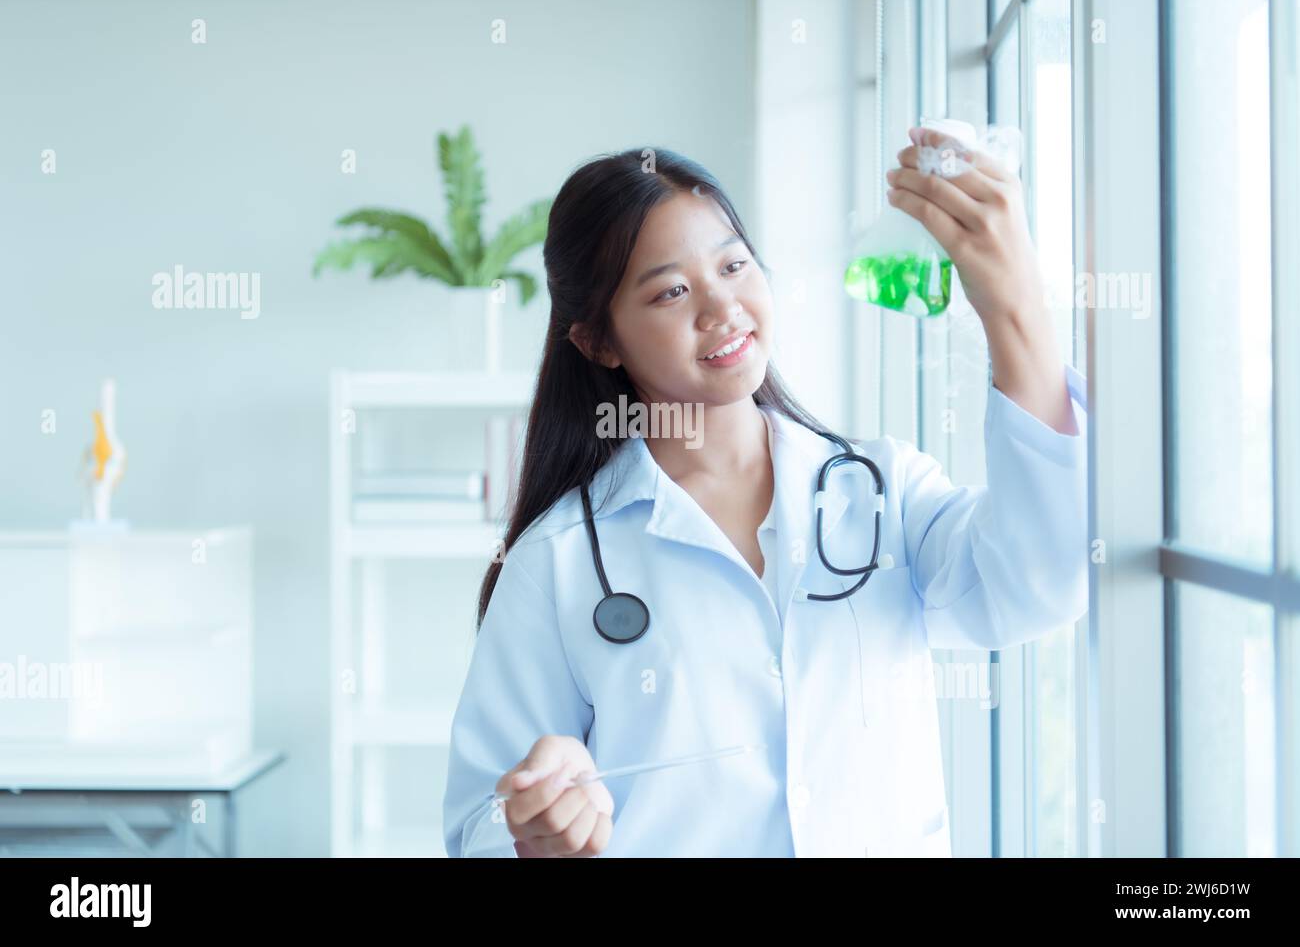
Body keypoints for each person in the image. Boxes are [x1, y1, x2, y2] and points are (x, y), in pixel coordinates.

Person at [442, 129, 1087, 857]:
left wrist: (1013, 308)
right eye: (672, 291)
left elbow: (1042, 585)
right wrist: (536, 828)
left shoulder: (884, 493)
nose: (723, 309)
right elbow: (480, 830)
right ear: (598, 342)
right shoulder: (555, 562)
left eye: (734, 264)